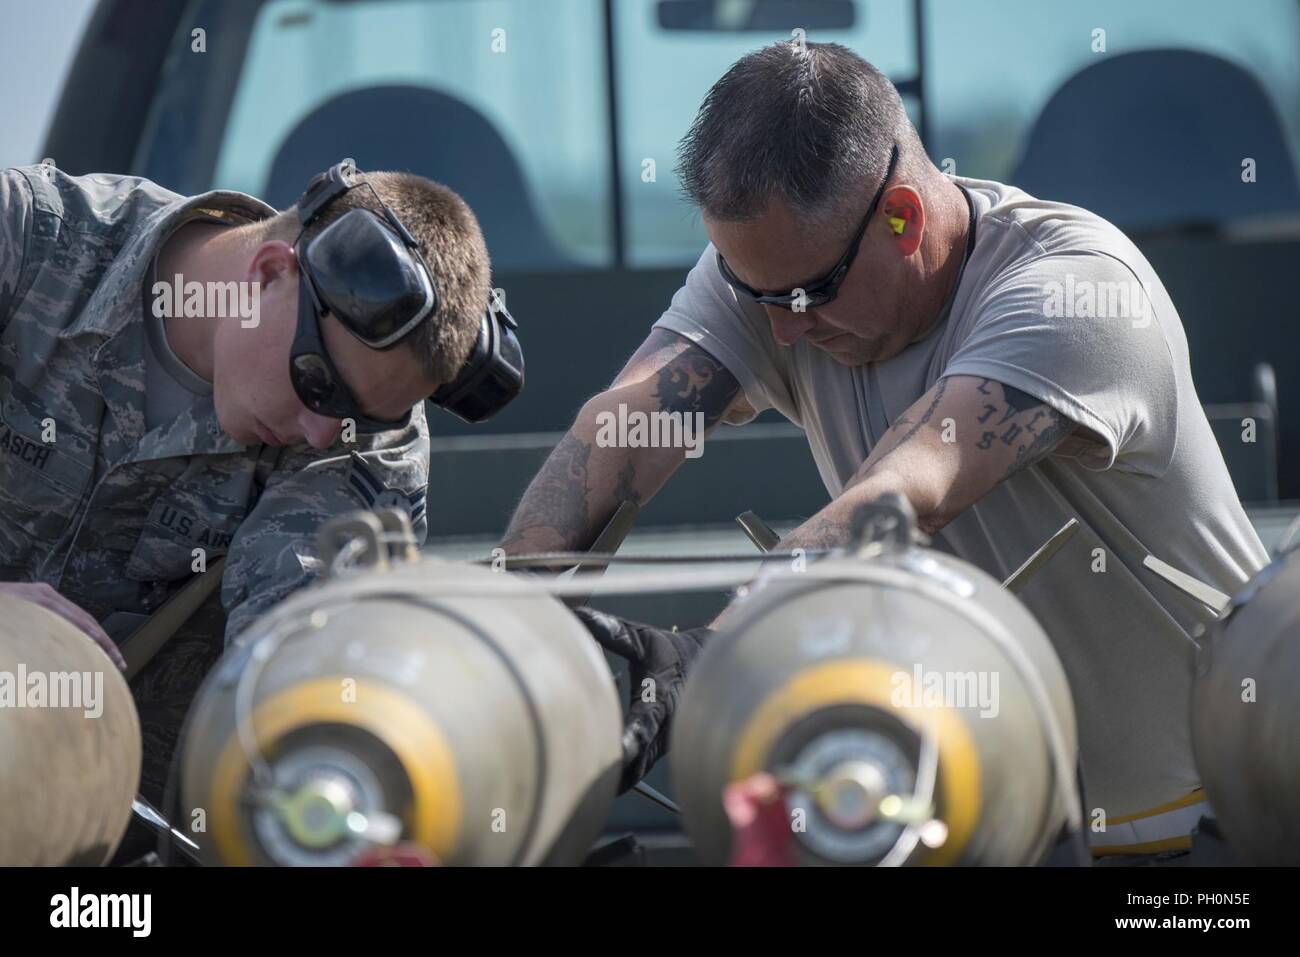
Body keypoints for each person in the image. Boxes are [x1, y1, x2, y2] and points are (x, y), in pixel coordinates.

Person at [501, 42, 1266, 857]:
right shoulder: (774, 272)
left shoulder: (1076, 291)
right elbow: (616, 433)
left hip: (1224, 821)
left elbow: (902, 495)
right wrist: (509, 639)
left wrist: (700, 661)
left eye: (805, 296)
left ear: (901, 215)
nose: (782, 329)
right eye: (752, 293)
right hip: (996, 821)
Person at [0, 157, 521, 812]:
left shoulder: (365, 437)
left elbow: (299, 664)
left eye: (353, 414)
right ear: (270, 272)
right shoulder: (25, 244)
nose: (321, 432)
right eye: (317, 384)